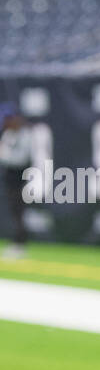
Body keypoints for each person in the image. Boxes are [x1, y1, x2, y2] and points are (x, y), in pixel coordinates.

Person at [0, 103, 32, 260]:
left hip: (21, 179)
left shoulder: (25, 135)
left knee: (19, 212)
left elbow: (21, 159)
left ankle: (20, 244)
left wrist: (5, 157)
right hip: (9, 178)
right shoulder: (8, 134)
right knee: (13, 212)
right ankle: (16, 242)